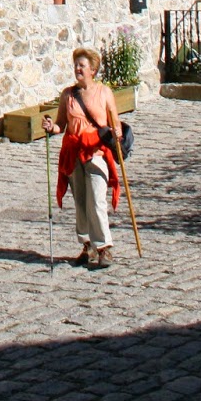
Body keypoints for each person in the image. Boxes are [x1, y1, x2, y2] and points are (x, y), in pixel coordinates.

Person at [43, 47, 122, 268]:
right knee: (80, 203)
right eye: (76, 64)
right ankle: (87, 246)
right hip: (73, 153)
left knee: (96, 200)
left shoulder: (104, 92)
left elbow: (115, 123)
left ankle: (104, 247)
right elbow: (61, 124)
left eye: (82, 65)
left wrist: (117, 132)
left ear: (93, 70)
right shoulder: (68, 94)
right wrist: (52, 127)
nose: (77, 68)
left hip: (96, 152)